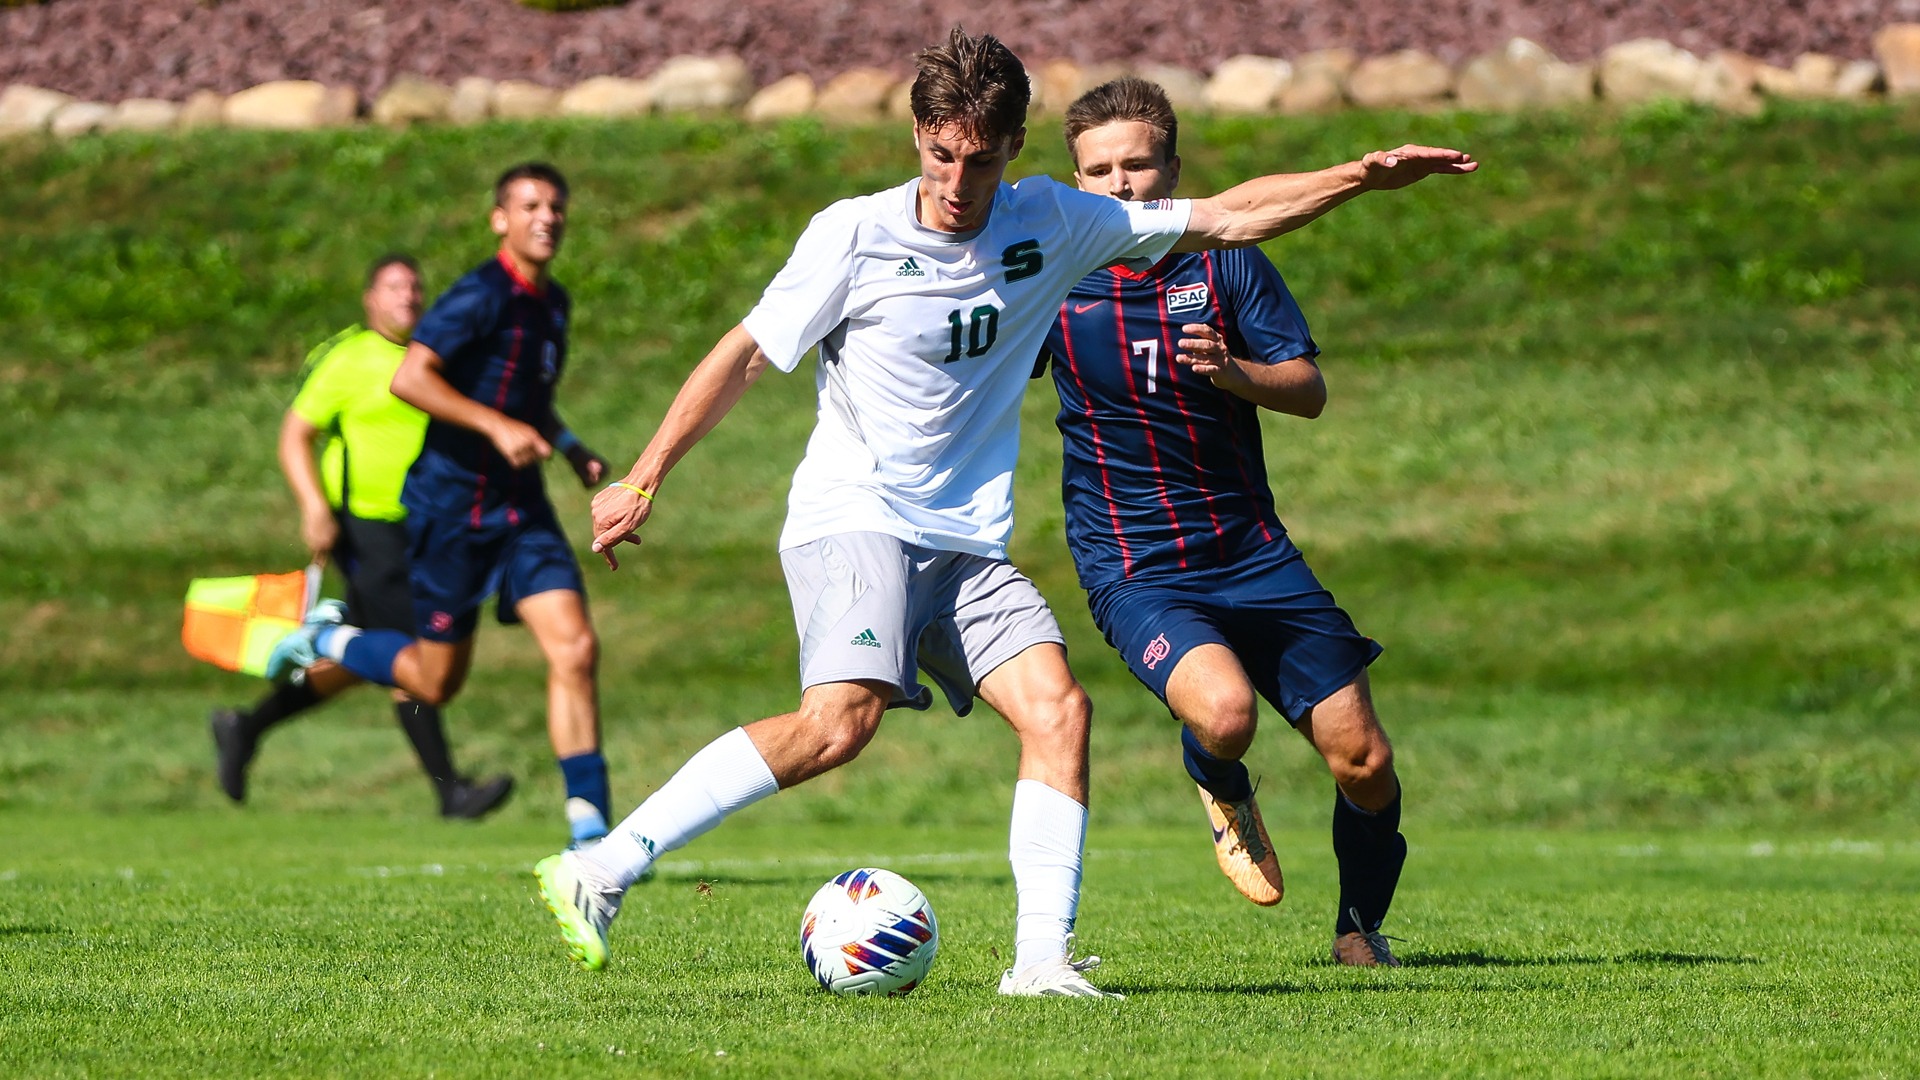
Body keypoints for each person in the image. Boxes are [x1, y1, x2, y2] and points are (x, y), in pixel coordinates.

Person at [534, 28, 1472, 996]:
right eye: (940, 155)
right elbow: (743, 354)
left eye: (979, 159)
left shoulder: (1055, 224)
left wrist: (1360, 175)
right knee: (839, 724)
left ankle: (1039, 965)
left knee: (1059, 711)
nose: (955, 180)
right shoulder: (853, 232)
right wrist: (645, 474)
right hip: (859, 518)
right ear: (917, 139)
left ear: (1014, 148)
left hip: (963, 544)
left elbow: (1231, 216)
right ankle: (602, 865)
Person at [1040, 78, 1408, 966]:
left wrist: (1238, 373)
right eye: (1099, 170)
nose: (1120, 184)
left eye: (1138, 165)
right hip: (1134, 565)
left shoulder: (1226, 261)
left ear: (1173, 169)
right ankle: (1218, 779)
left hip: (1252, 553)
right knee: (1227, 713)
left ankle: (1359, 930)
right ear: (1075, 180)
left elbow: (1309, 390)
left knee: (1363, 759)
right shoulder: (1048, 276)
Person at [267, 163, 618, 846]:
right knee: (433, 682)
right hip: (449, 513)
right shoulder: (476, 297)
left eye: (556, 207)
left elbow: (530, 400)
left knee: (575, 648)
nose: (547, 218)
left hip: (520, 513)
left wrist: (572, 449)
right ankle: (327, 639)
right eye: (530, 206)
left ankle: (591, 833)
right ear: (500, 220)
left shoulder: (554, 305)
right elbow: (410, 377)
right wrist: (493, 427)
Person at [210, 254, 513, 820]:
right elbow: (295, 435)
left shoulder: (434, 357)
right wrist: (314, 509)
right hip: (367, 527)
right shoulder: (348, 358)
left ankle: (245, 727)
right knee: (415, 652)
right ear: (370, 299)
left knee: (373, 657)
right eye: (394, 288)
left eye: (416, 288)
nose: (408, 297)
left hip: (427, 528)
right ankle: (451, 791)